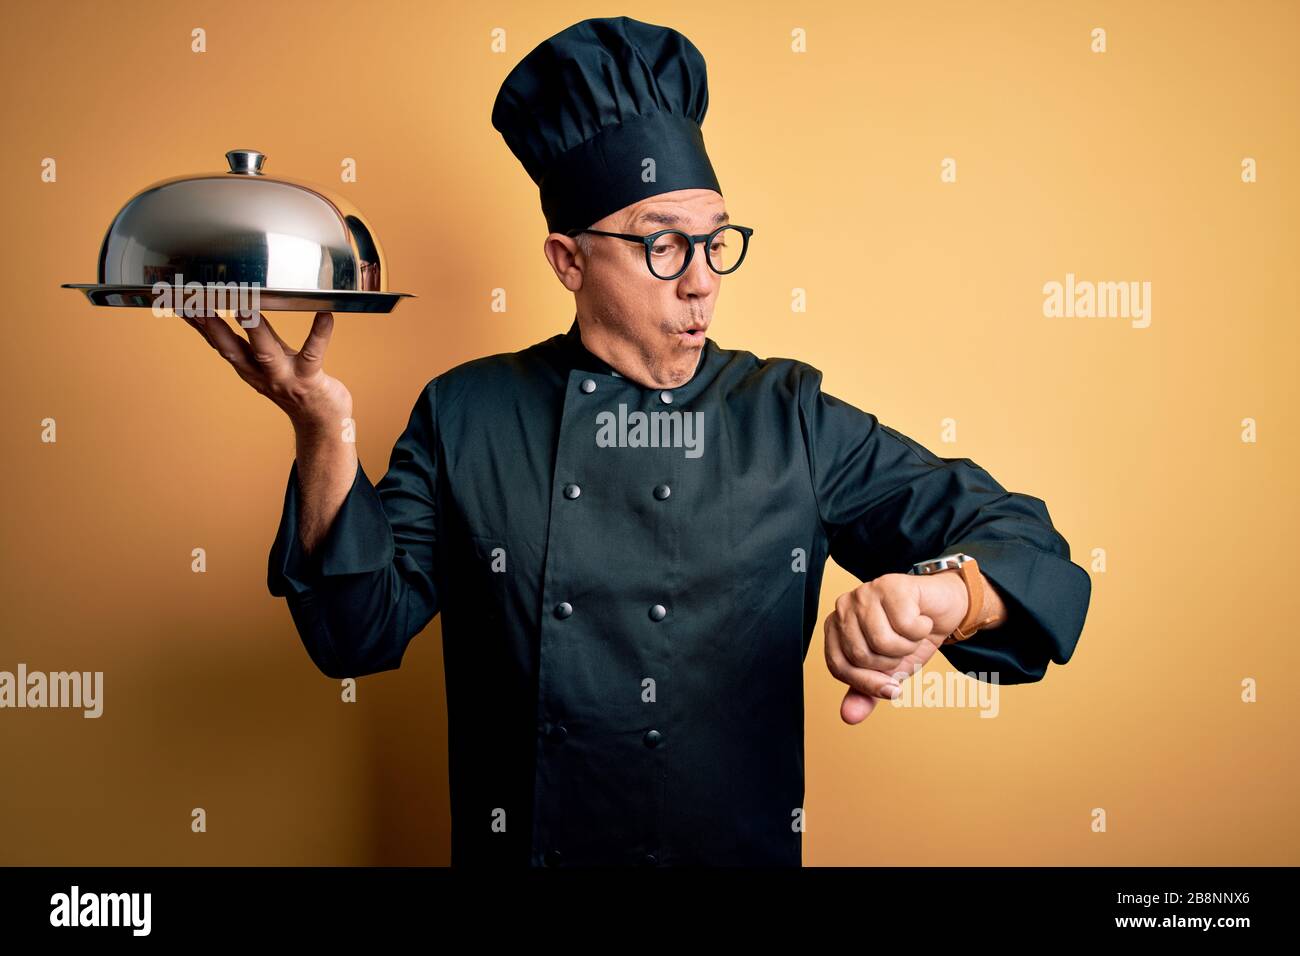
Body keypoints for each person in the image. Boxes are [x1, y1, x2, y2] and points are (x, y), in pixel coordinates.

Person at [183, 16, 1090, 867]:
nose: (702, 282)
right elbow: (356, 635)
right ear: (569, 261)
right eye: (663, 246)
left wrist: (948, 598)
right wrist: (323, 430)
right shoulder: (466, 415)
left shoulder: (791, 417)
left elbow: (1026, 544)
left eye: (717, 242)